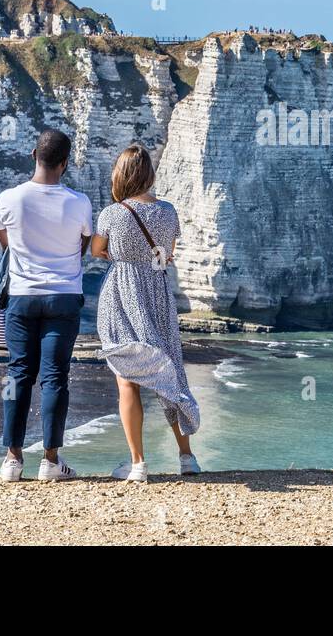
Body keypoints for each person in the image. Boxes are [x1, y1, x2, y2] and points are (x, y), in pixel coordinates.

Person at [91, 144, 200, 483]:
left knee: (127, 377)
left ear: (120, 176)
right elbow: (168, 253)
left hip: (122, 294)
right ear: (149, 175)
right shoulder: (168, 211)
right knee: (168, 370)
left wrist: (120, 257)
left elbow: (96, 250)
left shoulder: (112, 213)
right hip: (157, 293)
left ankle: (138, 464)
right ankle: (187, 457)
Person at [0, 128, 92, 482]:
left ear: (34, 155)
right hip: (64, 298)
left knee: (17, 375)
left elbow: (4, 242)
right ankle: (50, 460)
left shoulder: (9, 198)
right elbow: (81, 247)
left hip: (21, 297)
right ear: (65, 163)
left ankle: (12, 459)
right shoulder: (79, 202)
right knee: (55, 377)